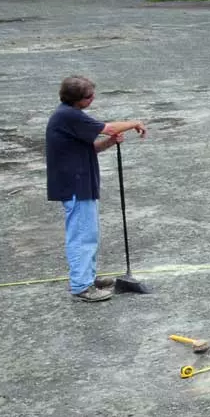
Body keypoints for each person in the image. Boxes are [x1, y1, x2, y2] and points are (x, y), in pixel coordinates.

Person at [45, 76, 147, 302]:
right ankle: (82, 286)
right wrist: (133, 123)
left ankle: (87, 278)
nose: (93, 99)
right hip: (76, 184)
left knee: (88, 233)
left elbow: (90, 148)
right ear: (79, 99)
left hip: (81, 182)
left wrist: (111, 142)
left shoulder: (72, 115)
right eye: (90, 96)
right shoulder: (68, 115)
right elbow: (107, 128)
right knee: (82, 235)